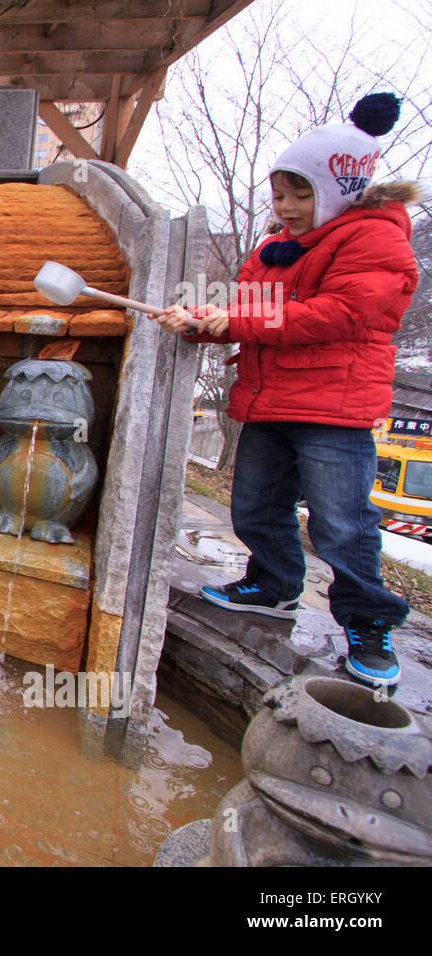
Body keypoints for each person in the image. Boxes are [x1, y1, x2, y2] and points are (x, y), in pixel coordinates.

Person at [156, 93, 421, 690]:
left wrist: (237, 321)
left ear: (339, 189)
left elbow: (337, 313)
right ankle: (271, 587)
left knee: (341, 523)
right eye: (279, 195)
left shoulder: (375, 239)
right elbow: (248, 305)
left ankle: (369, 623)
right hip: (270, 399)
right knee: (255, 505)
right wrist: (201, 316)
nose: (289, 207)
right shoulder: (275, 249)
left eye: (302, 194)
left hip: (335, 408)